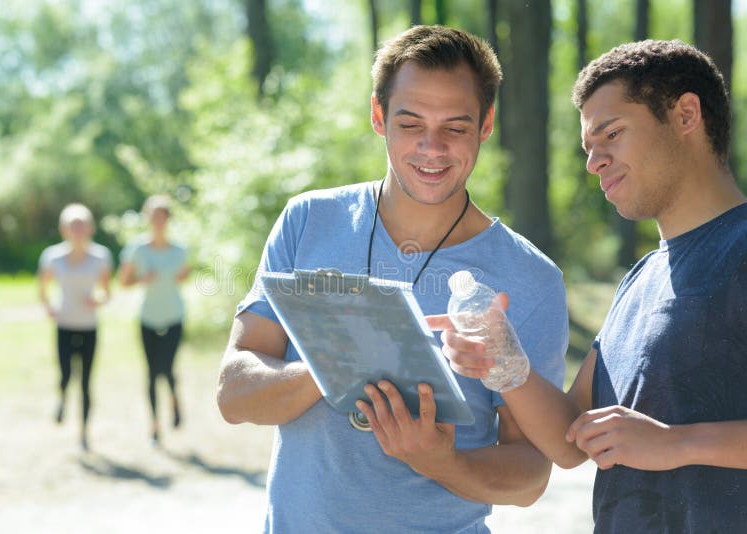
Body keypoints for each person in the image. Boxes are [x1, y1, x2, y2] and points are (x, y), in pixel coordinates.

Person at [216, 25, 569, 533]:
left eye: (455, 126)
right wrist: (336, 360)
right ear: (379, 117)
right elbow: (234, 394)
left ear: (486, 125)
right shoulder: (308, 221)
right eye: (410, 123)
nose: (432, 147)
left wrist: (441, 461)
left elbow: (531, 475)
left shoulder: (530, 278)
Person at [429, 39, 747, 532]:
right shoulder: (641, 279)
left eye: (612, 134)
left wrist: (676, 443)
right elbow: (571, 439)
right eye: (589, 147)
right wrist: (505, 364)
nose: (593, 162)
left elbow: (658, 442)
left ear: (686, 114)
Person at [38, 203, 112, 451]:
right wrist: (49, 307)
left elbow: (106, 292)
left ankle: (84, 432)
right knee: (66, 374)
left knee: (86, 381)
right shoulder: (52, 256)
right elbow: (43, 288)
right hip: (64, 325)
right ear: (64, 229)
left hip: (89, 326)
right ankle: (61, 398)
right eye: (73, 225)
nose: (78, 230)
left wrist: (98, 300)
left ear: (90, 228)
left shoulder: (101, 256)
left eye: (82, 225)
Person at [119, 194, 190, 445]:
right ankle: (154, 424)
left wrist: (181, 276)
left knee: (167, 368)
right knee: (150, 372)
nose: (158, 221)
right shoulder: (136, 249)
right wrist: (142, 279)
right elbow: (123, 282)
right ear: (147, 218)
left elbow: (184, 276)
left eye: (162, 216)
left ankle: (174, 400)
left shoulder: (180, 250)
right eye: (153, 216)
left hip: (174, 316)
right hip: (147, 317)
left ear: (168, 219)